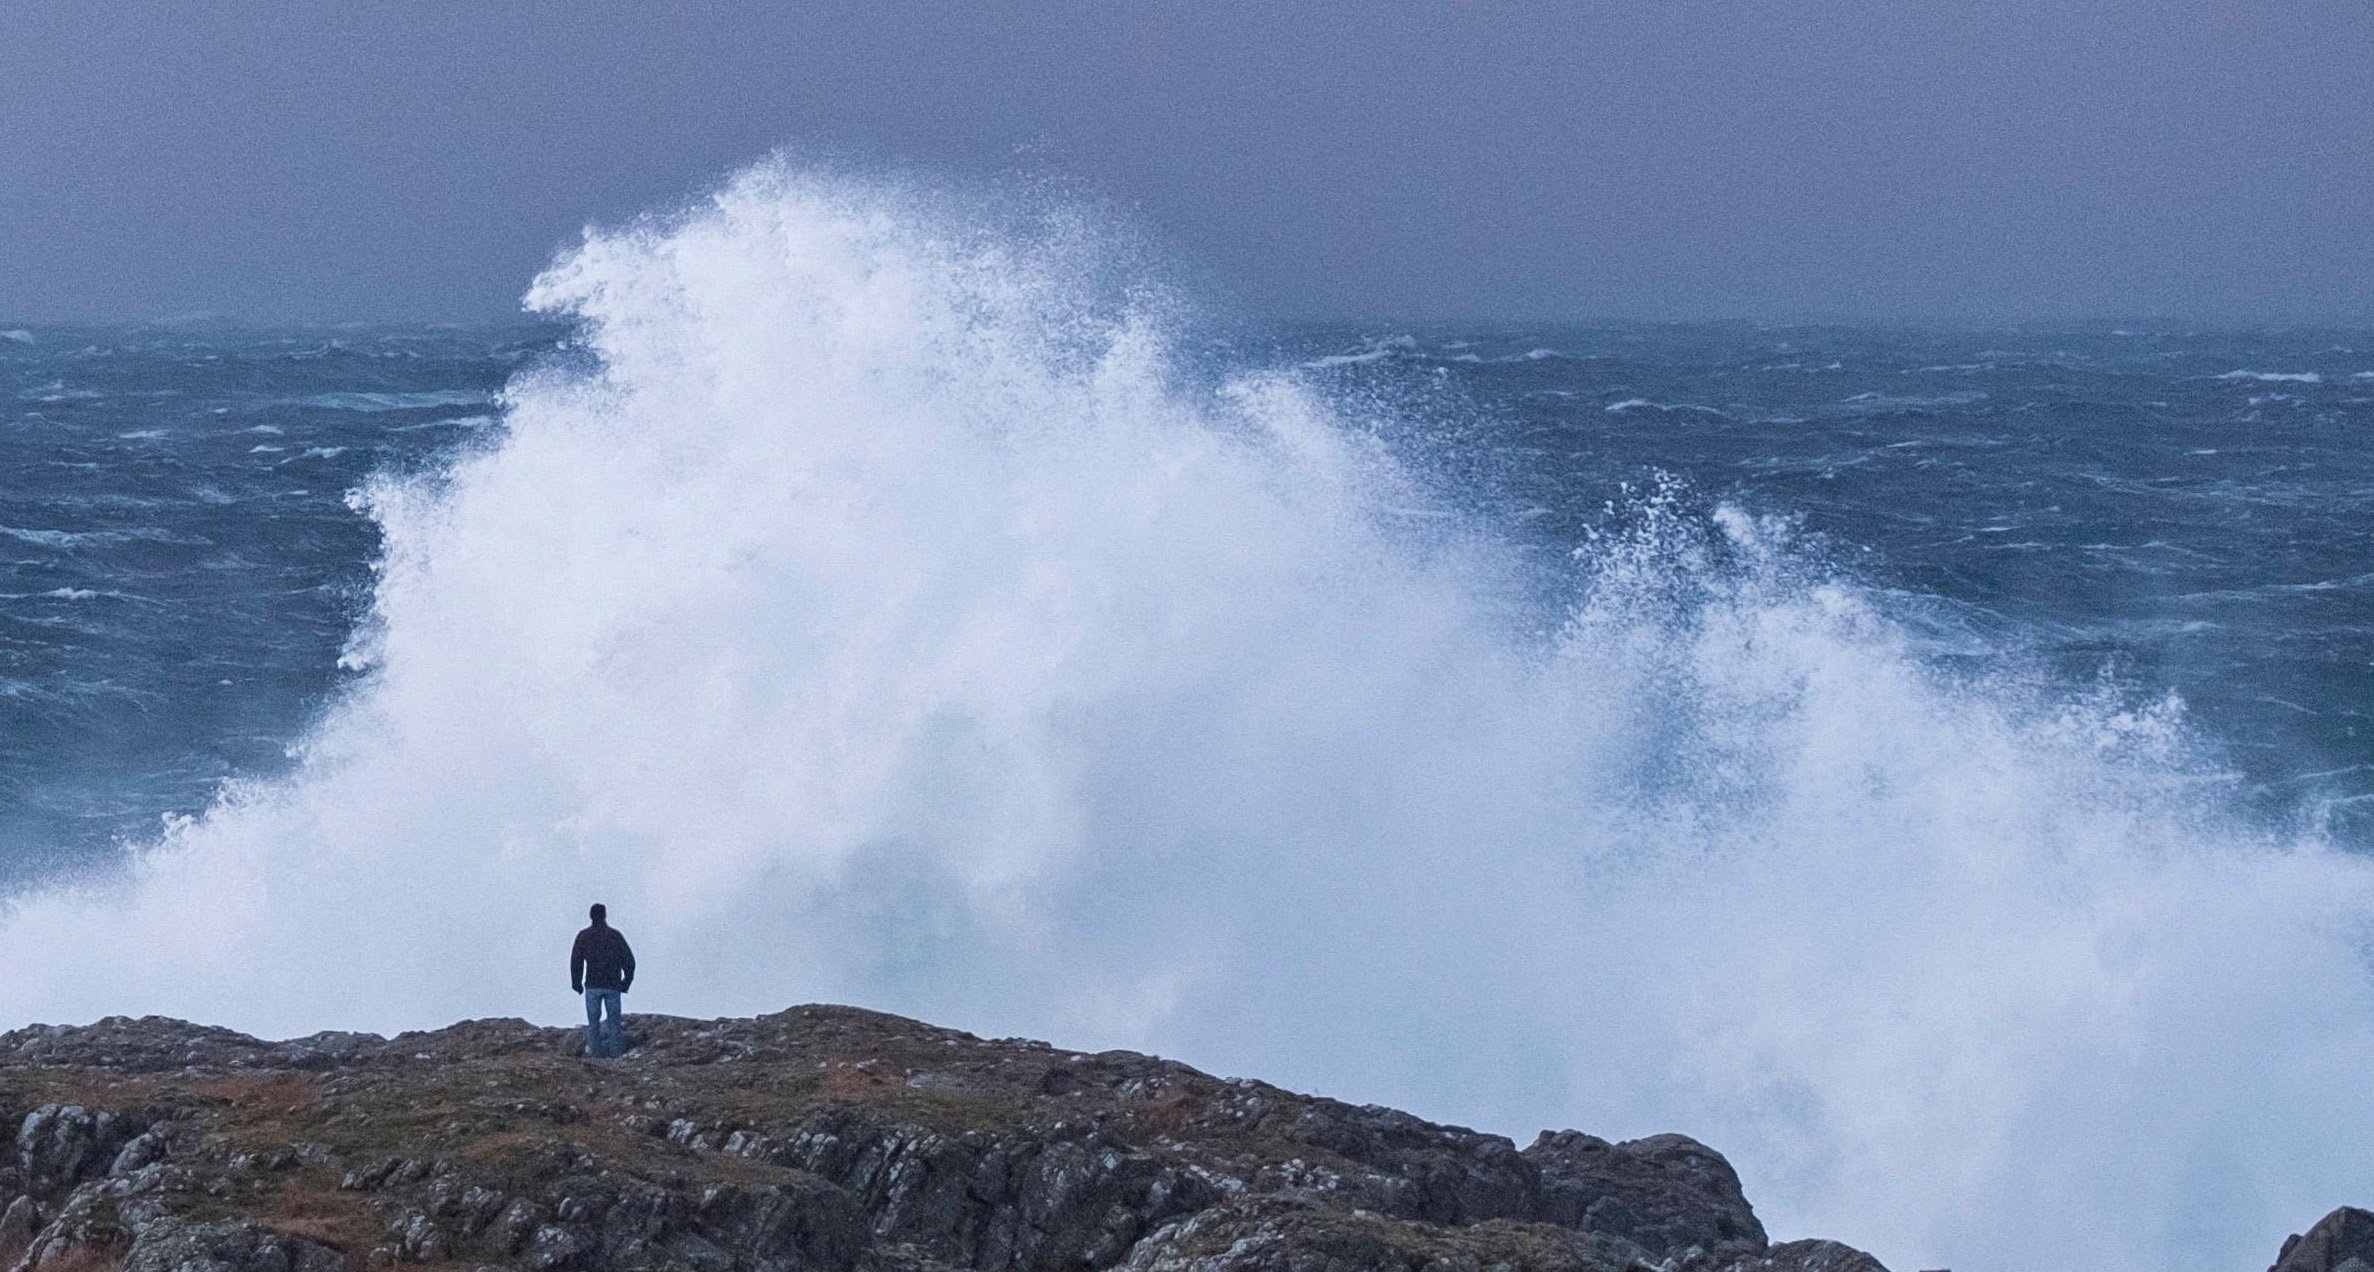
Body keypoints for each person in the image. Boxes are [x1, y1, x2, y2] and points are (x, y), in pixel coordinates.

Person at [570, 903, 636, 1058]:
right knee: (614, 1022)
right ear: (605, 915)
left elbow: (576, 961)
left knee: (593, 1023)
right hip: (613, 985)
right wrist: (626, 982)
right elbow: (629, 961)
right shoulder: (615, 936)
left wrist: (576, 983)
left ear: (591, 916)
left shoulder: (584, 936)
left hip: (593, 985)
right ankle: (616, 1055)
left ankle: (596, 1056)